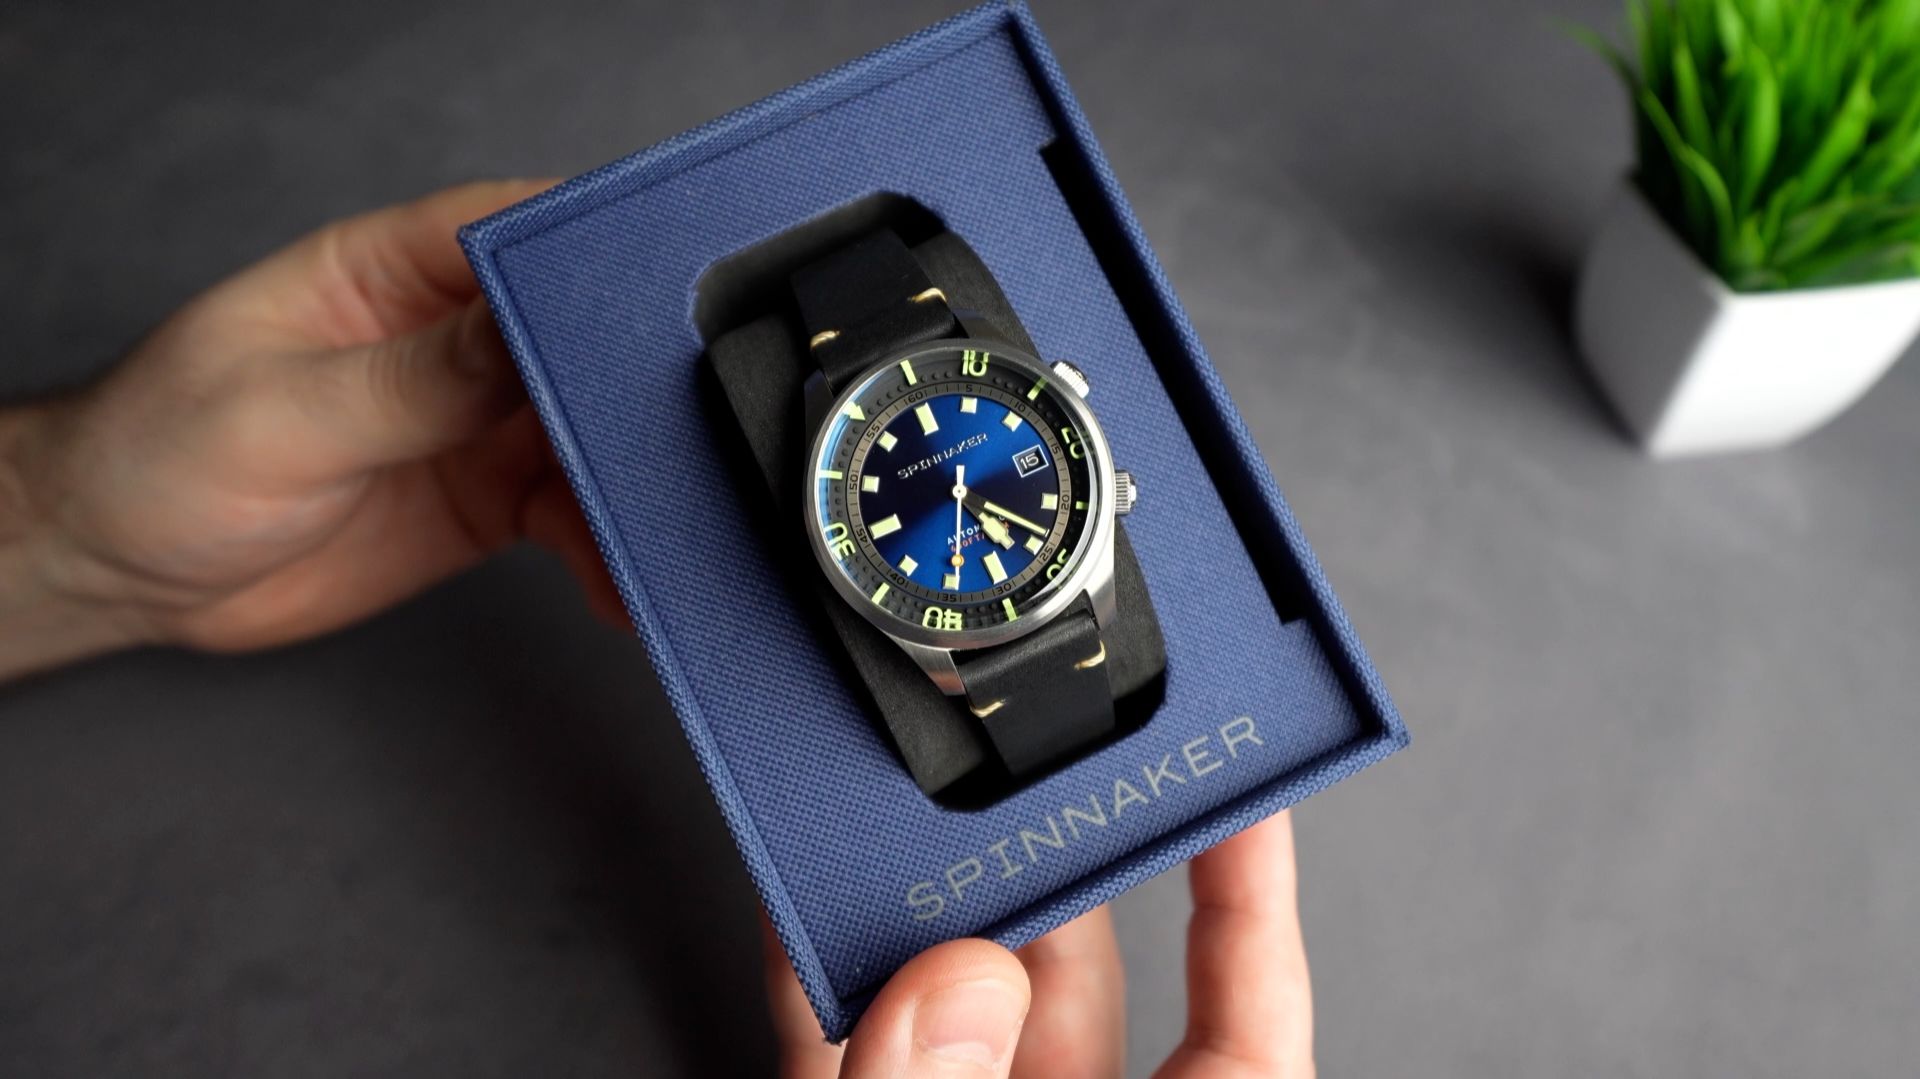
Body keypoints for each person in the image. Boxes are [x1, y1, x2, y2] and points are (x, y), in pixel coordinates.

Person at [0, 182, 1315, 1077]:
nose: (961, 492)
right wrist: (57, 534)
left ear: (1082, 452)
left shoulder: (1020, 464)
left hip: (1047, 586)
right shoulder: (911, 537)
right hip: (949, 617)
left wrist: (53, 535)